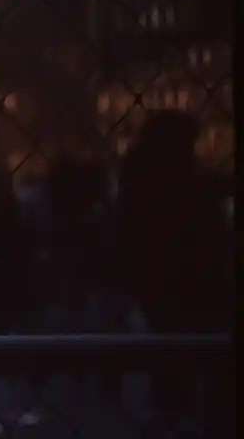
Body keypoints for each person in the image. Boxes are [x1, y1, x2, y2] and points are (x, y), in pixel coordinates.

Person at [117, 111, 232, 435]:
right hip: (191, 279)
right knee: (203, 352)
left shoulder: (141, 177)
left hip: (165, 280)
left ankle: (175, 409)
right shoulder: (183, 182)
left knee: (174, 348)